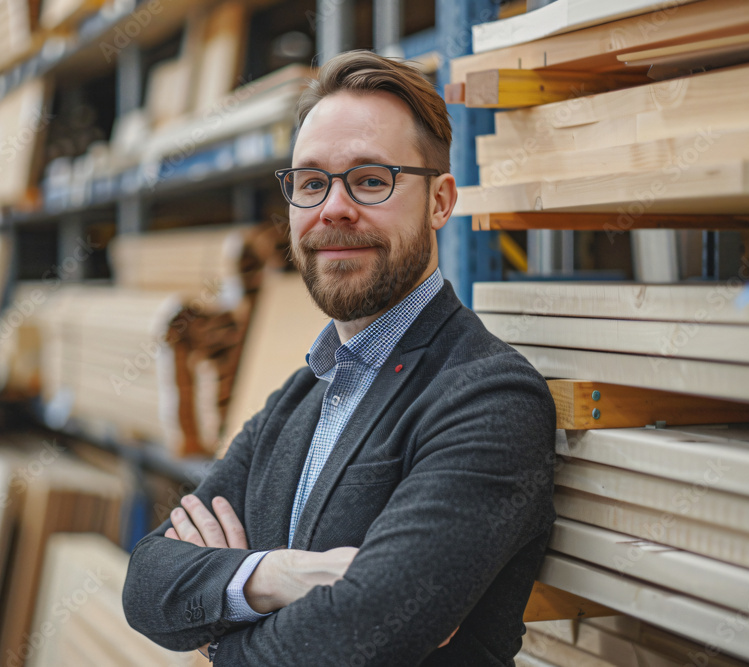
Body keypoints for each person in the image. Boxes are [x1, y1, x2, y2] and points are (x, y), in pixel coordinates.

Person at [122, 50, 557, 666]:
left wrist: (222, 638)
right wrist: (279, 575)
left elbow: (364, 634)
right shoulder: (301, 396)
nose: (333, 208)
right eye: (311, 183)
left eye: (371, 180)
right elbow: (146, 583)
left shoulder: (489, 399)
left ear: (440, 202)